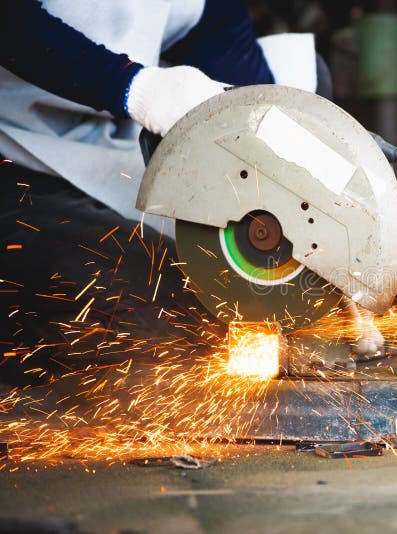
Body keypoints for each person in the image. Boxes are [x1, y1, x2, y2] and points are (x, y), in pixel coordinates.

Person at [0, 0, 330, 386]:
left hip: (113, 143)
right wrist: (134, 87)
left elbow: (226, 50)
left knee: (219, 307)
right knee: (163, 325)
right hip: (14, 155)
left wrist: (311, 195)